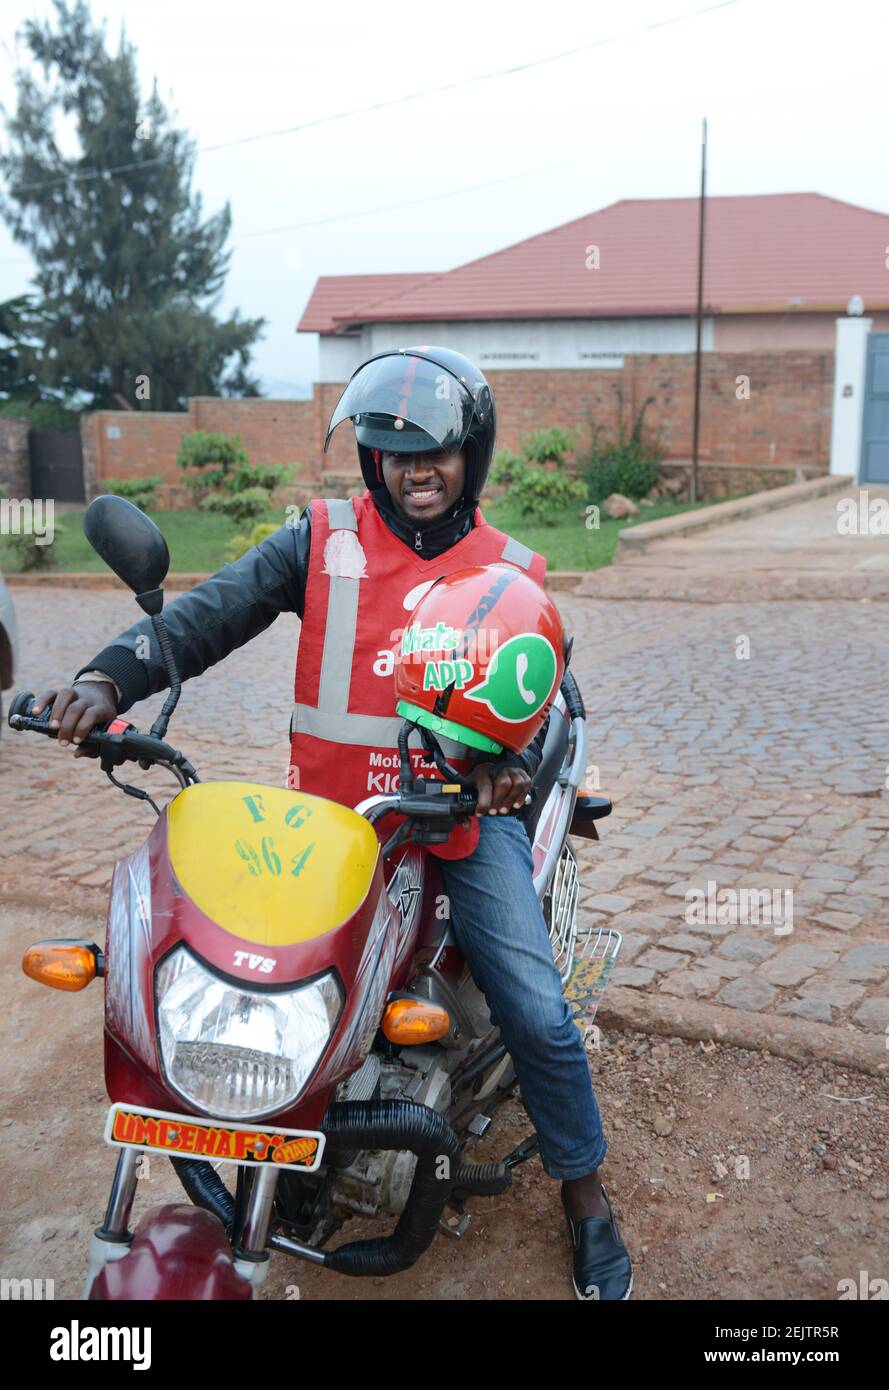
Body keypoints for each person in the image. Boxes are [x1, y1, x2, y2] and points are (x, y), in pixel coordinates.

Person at [33, 345, 632, 1301]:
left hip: (453, 829)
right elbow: (209, 615)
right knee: (235, 978)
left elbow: (541, 694)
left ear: (470, 456)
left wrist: (508, 772)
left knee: (535, 1012)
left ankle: (585, 1196)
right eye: (392, 451)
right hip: (327, 830)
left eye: (433, 451)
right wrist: (109, 678)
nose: (413, 470)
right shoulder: (321, 540)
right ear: (369, 459)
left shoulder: (511, 570)